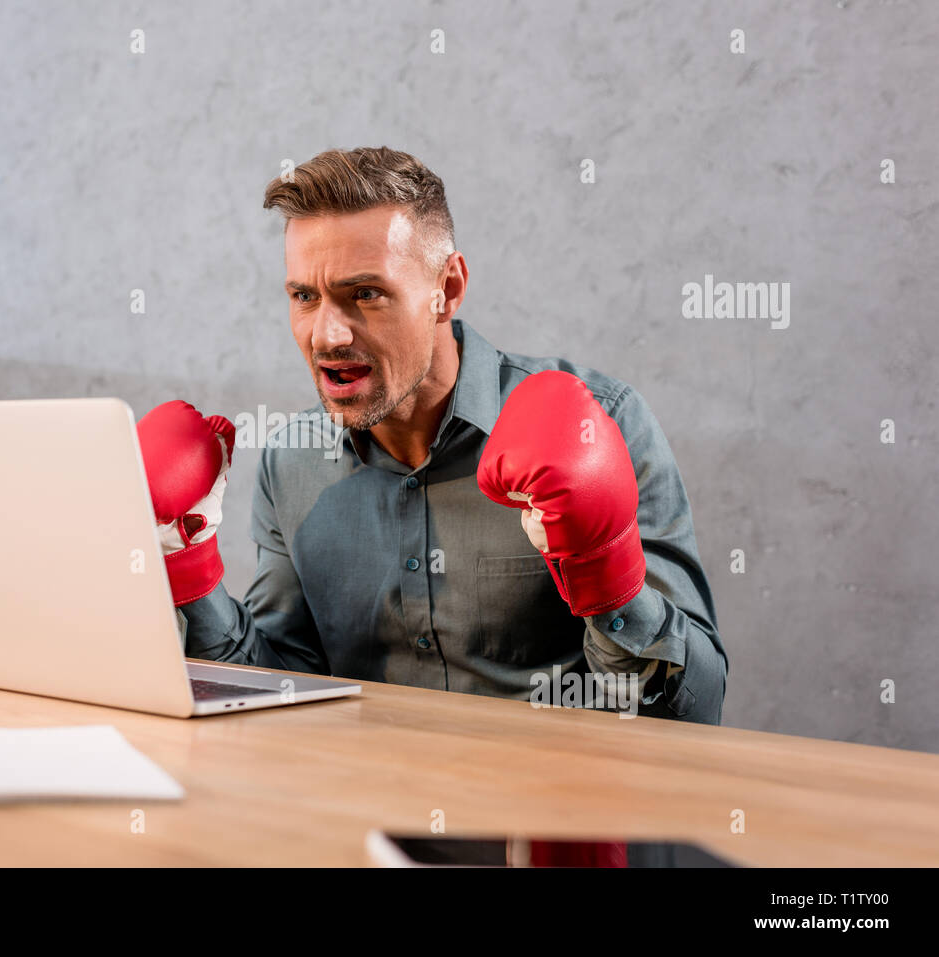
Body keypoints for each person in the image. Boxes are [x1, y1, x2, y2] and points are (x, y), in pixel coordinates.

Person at [136, 146, 726, 724]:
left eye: (365, 293)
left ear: (446, 289)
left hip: (554, 809)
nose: (327, 335)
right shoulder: (292, 461)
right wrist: (187, 566)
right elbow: (282, 687)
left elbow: (696, 710)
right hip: (361, 811)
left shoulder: (602, 422)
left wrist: (609, 583)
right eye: (304, 297)